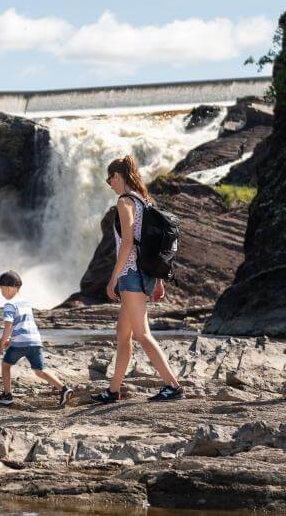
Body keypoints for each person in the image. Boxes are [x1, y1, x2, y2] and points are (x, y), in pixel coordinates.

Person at [91, 155, 184, 403]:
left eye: (109, 178)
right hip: (144, 273)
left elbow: (129, 243)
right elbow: (153, 245)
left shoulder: (125, 202)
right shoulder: (145, 201)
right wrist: (159, 280)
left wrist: (113, 278)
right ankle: (113, 391)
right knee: (123, 334)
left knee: (142, 333)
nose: (109, 183)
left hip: (131, 274)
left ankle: (173, 386)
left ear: (118, 176)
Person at [0, 270, 73, 407]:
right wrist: (11, 340)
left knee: (6, 365)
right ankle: (64, 389)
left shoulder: (10, 305)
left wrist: (1, 344)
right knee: (40, 370)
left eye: (1, 288)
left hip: (20, 343)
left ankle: (7, 395)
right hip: (35, 341)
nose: (1, 291)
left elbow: (9, 326)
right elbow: (25, 326)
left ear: (9, 287)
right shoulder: (26, 303)